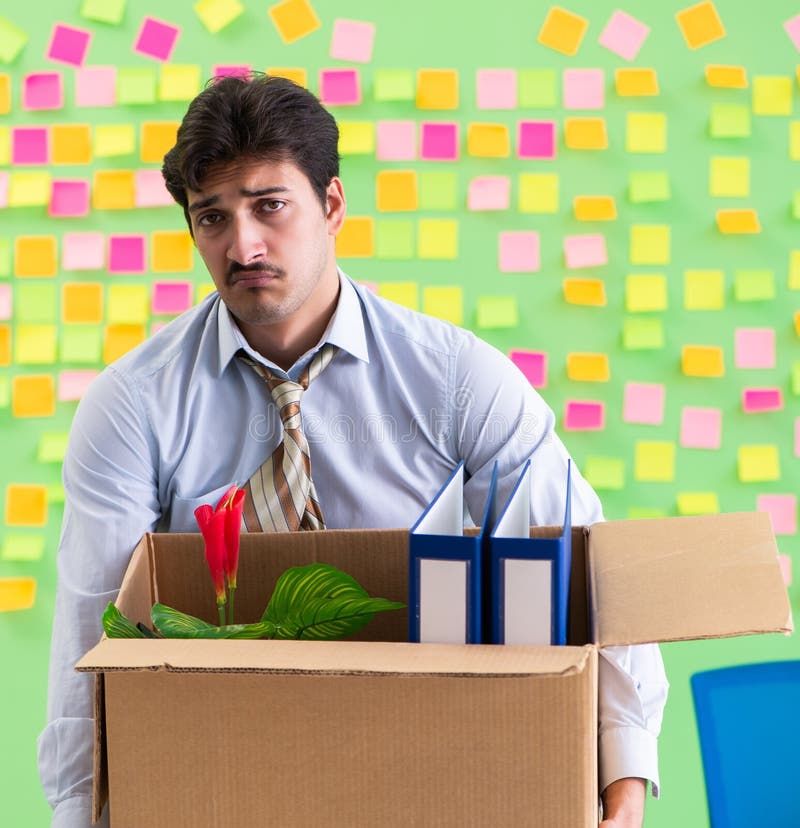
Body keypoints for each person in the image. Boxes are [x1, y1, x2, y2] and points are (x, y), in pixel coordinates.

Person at [38, 73, 668, 828]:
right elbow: (89, 636)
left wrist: (622, 785)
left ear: (332, 205)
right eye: (213, 218)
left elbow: (586, 569)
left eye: (269, 205)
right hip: (222, 770)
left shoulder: (457, 379)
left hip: (433, 766)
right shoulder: (132, 405)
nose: (242, 244)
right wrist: (80, 815)